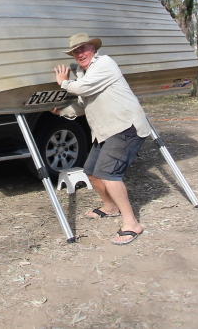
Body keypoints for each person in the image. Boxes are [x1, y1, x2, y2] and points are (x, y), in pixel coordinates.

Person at [53, 32, 151, 245]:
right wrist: (61, 112)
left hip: (125, 126)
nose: (80, 54)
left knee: (109, 173)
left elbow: (82, 89)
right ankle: (110, 207)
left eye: (83, 49)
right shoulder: (83, 74)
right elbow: (82, 104)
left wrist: (63, 82)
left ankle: (131, 223)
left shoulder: (104, 63)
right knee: (91, 171)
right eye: (75, 51)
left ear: (93, 48)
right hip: (105, 131)